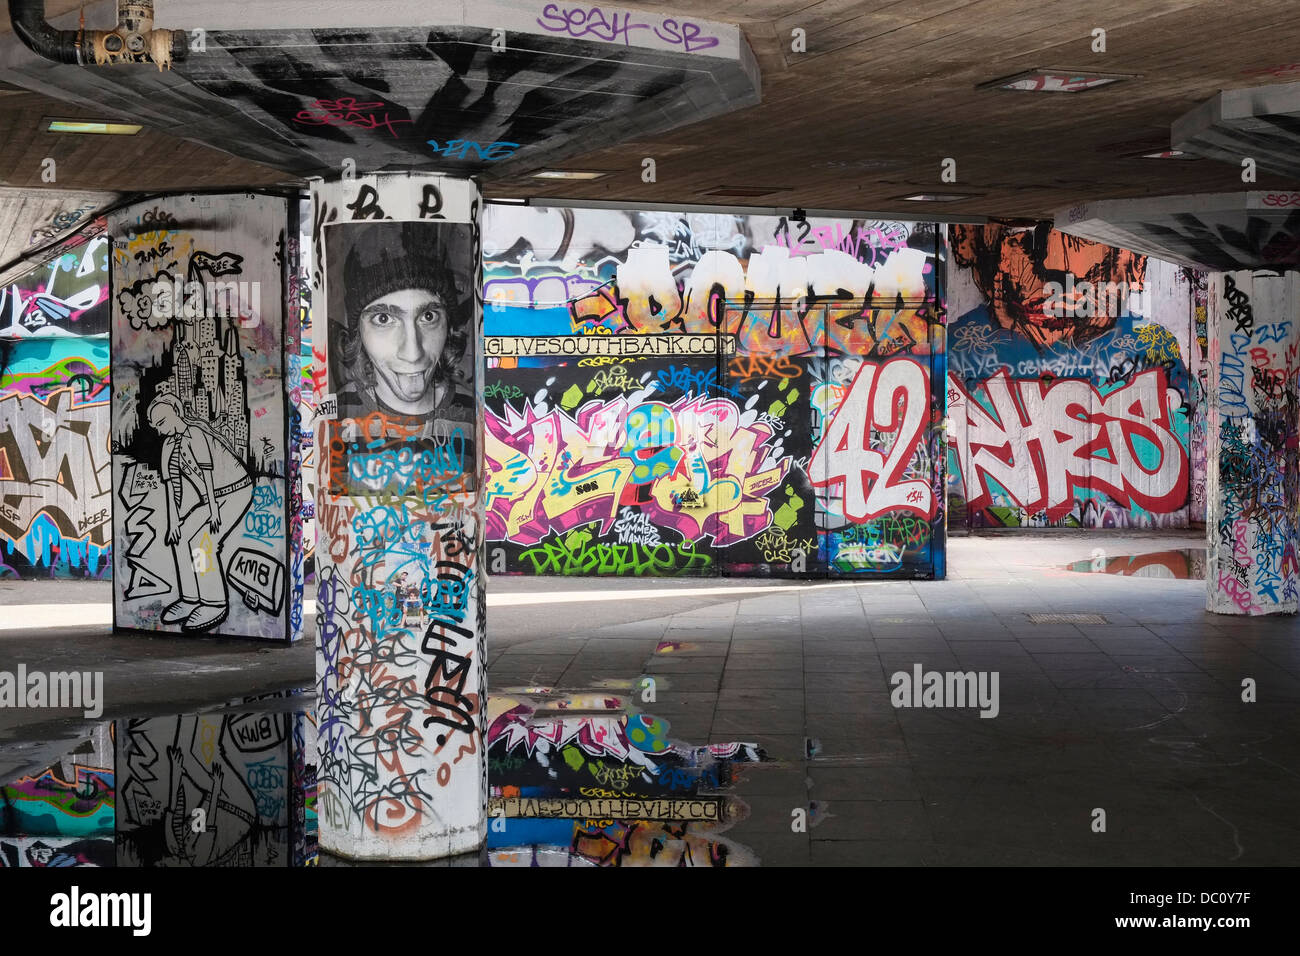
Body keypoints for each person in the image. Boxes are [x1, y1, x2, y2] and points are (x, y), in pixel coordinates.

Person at [147, 393, 254, 632]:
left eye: (162, 422)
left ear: (176, 413)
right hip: (212, 497)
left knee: (203, 542)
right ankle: (190, 598)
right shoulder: (168, 446)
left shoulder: (195, 434)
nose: (160, 429)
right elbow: (170, 487)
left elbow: (208, 476)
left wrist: (214, 511)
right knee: (181, 537)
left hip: (236, 490)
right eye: (156, 426)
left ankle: (214, 603)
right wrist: (174, 522)